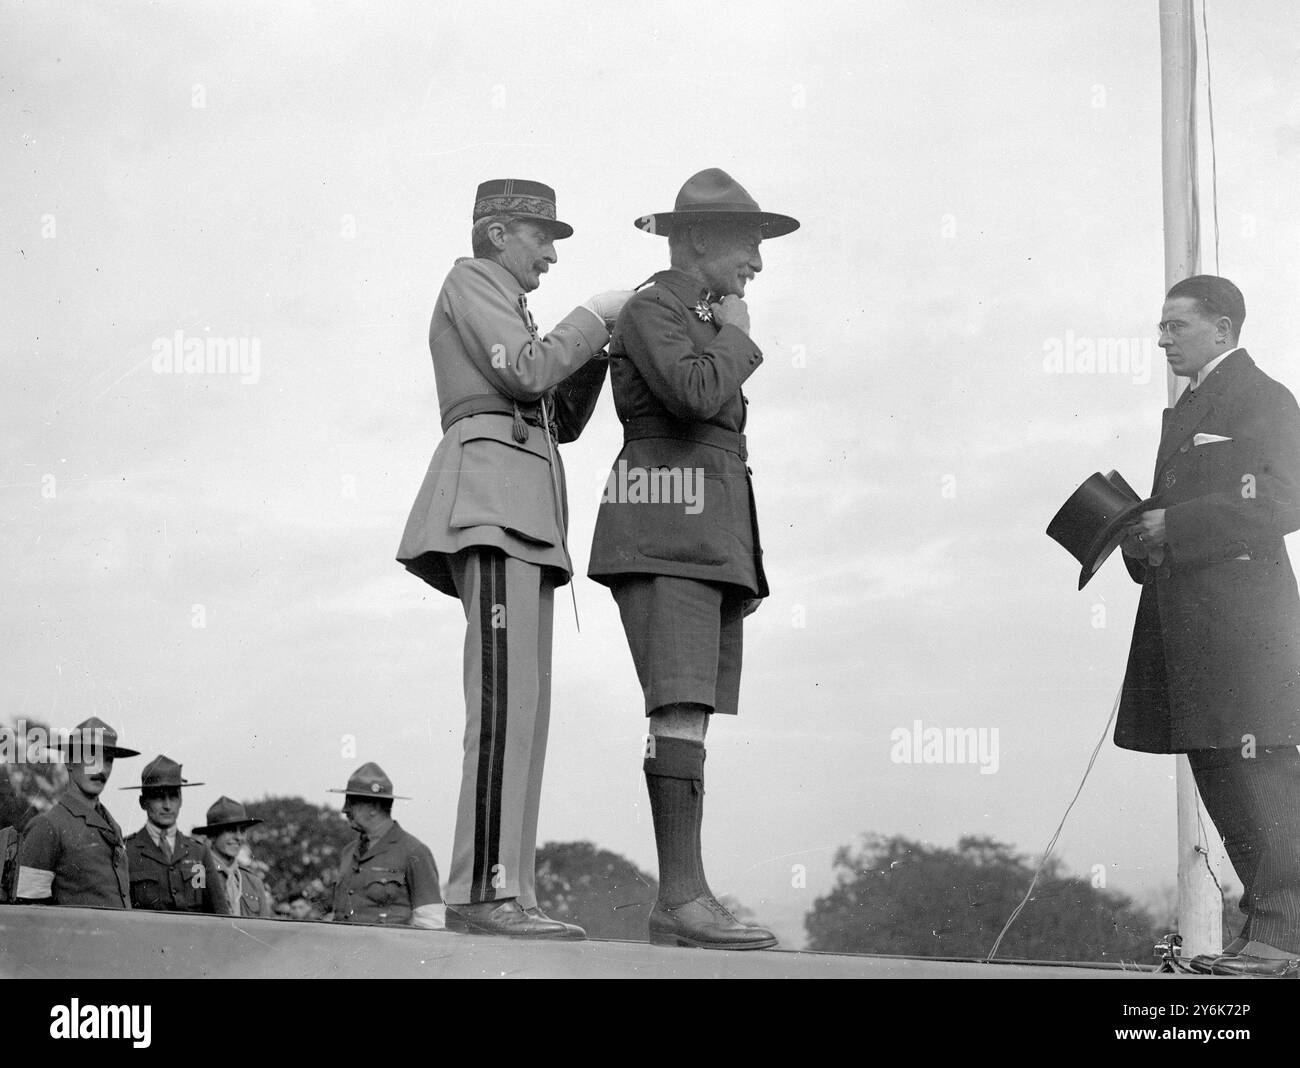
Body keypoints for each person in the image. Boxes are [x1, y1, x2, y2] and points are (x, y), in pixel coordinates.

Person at [396, 178, 630, 939]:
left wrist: (600, 345)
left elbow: (556, 416)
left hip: (523, 514)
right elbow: (527, 372)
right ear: (498, 233)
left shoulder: (511, 303)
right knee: (500, 711)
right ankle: (483, 889)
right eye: (543, 237)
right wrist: (593, 317)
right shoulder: (471, 280)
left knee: (526, 714)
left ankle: (513, 891)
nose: (552, 254)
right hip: (493, 509)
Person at [588, 168, 798, 949]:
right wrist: (741, 333)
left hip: (704, 535)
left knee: (692, 711)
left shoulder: (695, 312)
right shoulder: (654, 307)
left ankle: (682, 898)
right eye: (749, 245)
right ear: (701, 241)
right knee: (677, 702)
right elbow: (691, 394)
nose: (759, 264)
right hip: (665, 527)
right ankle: (682, 898)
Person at [1119, 275, 1300, 978]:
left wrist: (1179, 524)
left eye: (1176, 326)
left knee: (1263, 774)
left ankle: (1283, 941)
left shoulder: (1262, 396)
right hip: (1194, 626)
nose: (1162, 339)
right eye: (1162, 327)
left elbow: (1288, 495)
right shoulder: (1191, 405)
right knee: (1225, 772)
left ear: (1222, 330)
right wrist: (1144, 536)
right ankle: (1271, 935)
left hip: (1247, 627)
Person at [14, 717, 139, 908]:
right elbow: (28, 914)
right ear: (70, 761)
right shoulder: (48, 826)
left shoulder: (114, 828)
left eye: (108, 760)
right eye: (91, 757)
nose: (101, 769)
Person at [328, 762, 444, 929]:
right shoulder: (348, 852)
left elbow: (431, 923)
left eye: (351, 802)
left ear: (374, 807)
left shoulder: (415, 851)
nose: (344, 810)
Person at [122, 755, 230, 914]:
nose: (167, 805)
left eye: (173, 796)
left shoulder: (198, 853)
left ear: (181, 800)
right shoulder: (126, 851)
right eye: (158, 796)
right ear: (143, 802)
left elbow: (220, 914)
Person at [193, 796, 275, 918]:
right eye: (231, 830)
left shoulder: (253, 882)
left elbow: (264, 930)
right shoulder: (197, 875)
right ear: (212, 834)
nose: (238, 837)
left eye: (242, 831)